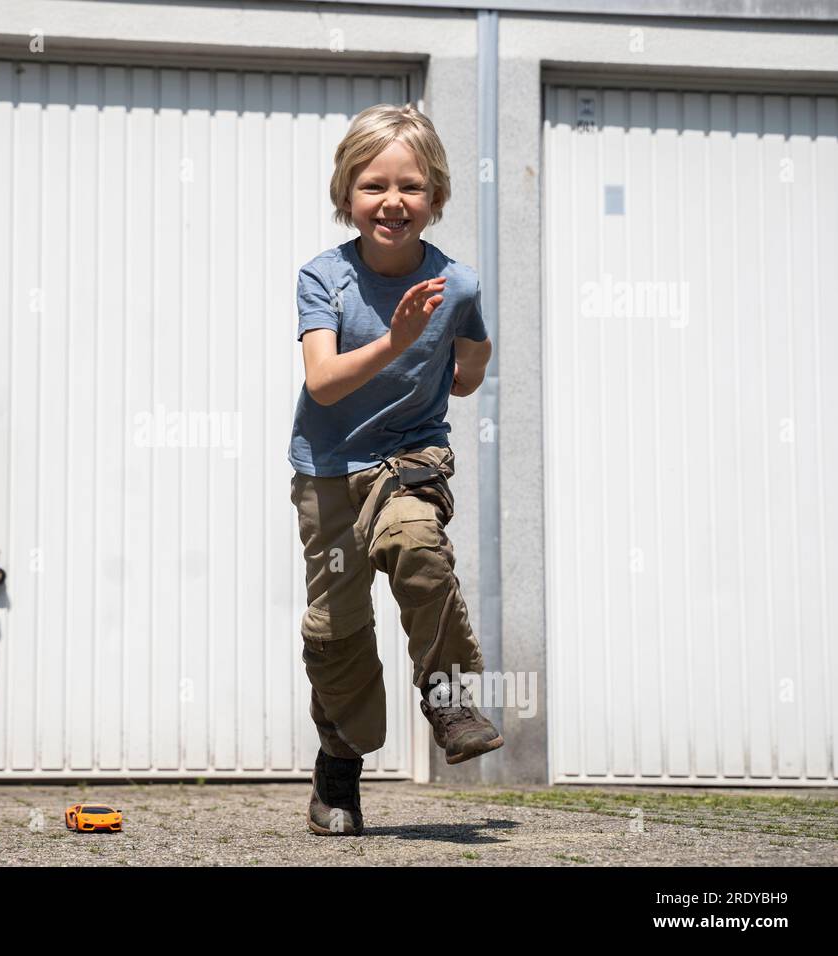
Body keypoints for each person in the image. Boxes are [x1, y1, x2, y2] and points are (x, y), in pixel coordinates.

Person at [288, 104, 502, 836]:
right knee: (339, 629)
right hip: (328, 472)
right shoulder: (325, 278)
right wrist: (397, 339)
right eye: (373, 185)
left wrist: (460, 359)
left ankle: (448, 698)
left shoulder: (459, 286)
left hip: (410, 457)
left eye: (410, 186)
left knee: (418, 548)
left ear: (435, 198)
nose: (392, 201)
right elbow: (323, 382)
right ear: (347, 193)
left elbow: (470, 368)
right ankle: (338, 767)